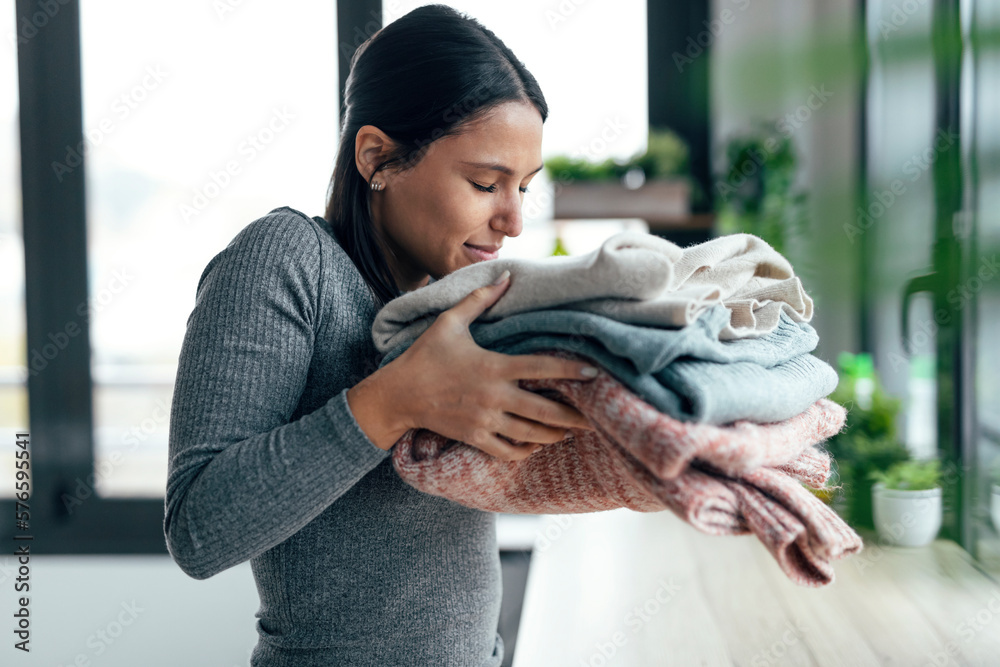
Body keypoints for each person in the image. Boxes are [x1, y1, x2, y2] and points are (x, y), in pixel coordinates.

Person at [163, 5, 598, 666]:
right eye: (485, 183)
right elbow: (199, 529)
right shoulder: (285, 258)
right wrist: (397, 398)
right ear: (377, 157)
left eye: (524, 188)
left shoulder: (445, 298)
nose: (511, 219)